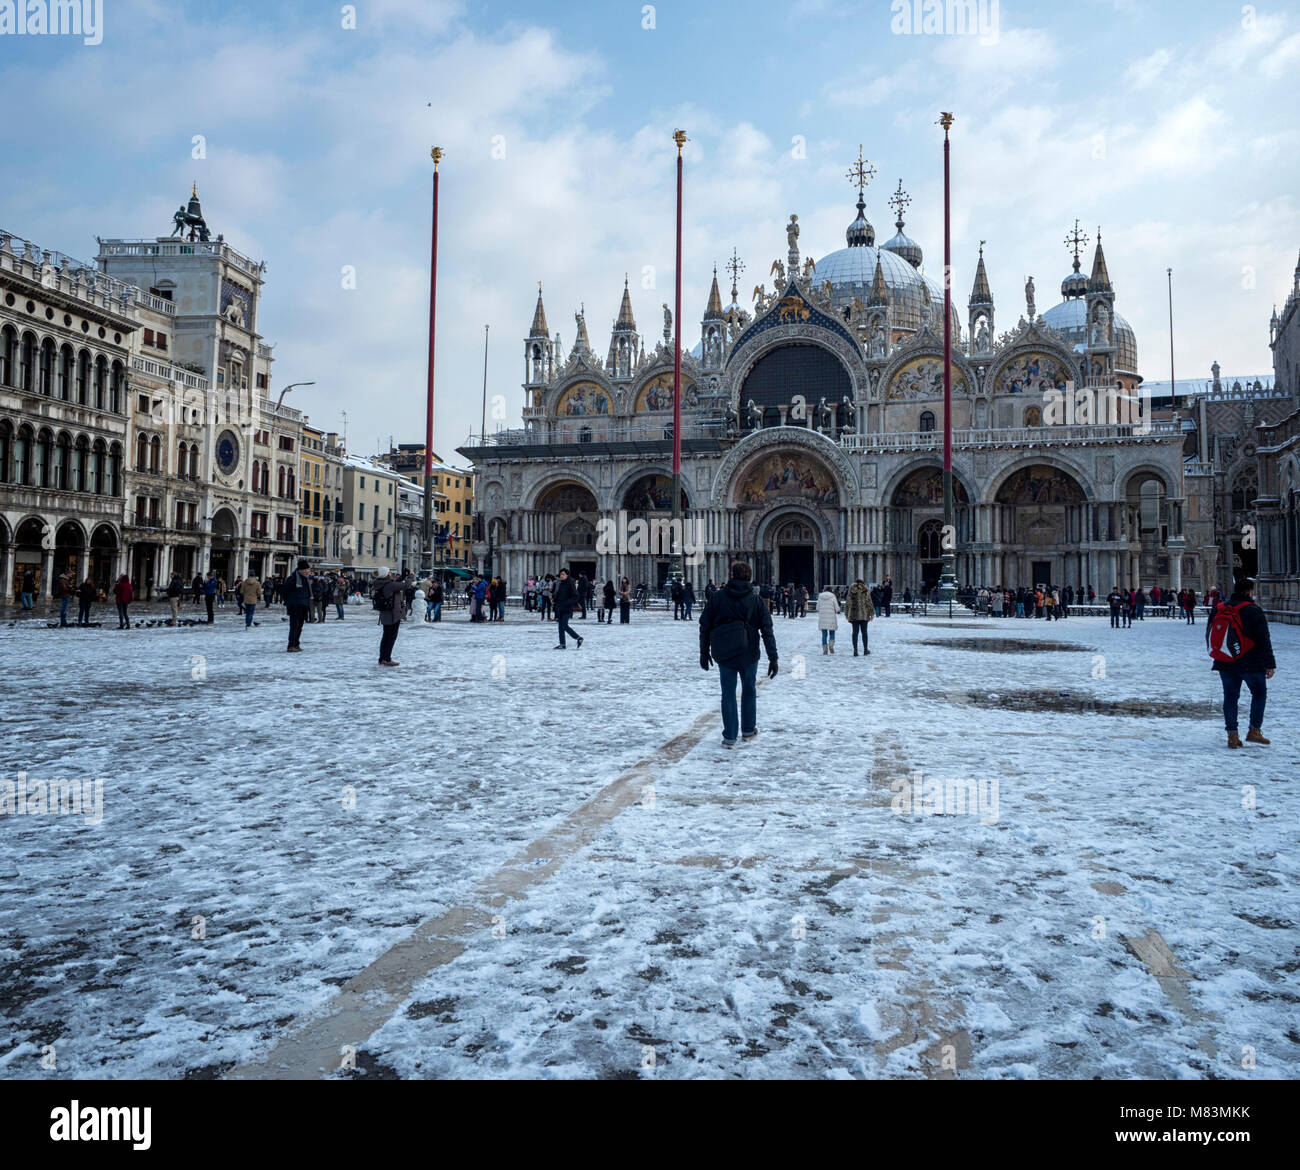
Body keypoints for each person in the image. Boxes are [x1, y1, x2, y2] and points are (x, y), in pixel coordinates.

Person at [698, 560, 778, 748]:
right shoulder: (756, 600)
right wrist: (773, 657)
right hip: (749, 652)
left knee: (728, 693)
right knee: (749, 689)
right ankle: (748, 729)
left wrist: (704, 651)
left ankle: (729, 736)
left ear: (732, 575)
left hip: (724, 652)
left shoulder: (717, 598)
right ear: (749, 577)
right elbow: (767, 630)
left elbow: (705, 625)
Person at [1209, 578, 1276, 749]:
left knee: (1230, 698)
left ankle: (1232, 735)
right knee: (1259, 694)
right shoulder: (1254, 611)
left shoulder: (1219, 608)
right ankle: (1254, 731)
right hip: (1251, 662)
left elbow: (1212, 634)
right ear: (1250, 592)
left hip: (1225, 660)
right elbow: (1264, 640)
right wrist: (1269, 664)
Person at [373, 565, 405, 666]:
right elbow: (404, 585)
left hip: (385, 613)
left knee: (386, 636)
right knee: (391, 637)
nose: (391, 574)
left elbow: (395, 584)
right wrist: (411, 576)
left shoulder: (380, 583)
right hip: (393, 614)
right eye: (389, 572)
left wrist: (403, 575)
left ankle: (382, 658)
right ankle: (387, 658)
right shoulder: (389, 585)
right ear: (386, 574)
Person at [282, 559, 312, 652]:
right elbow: (284, 591)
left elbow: (307, 592)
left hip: (303, 605)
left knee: (300, 626)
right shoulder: (293, 579)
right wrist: (289, 602)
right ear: (302, 570)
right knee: (294, 625)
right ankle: (291, 645)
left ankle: (296, 644)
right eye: (307, 569)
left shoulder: (305, 579)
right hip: (295, 605)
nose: (309, 571)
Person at [552, 567, 584, 650]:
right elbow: (559, 594)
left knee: (564, 625)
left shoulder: (570, 583)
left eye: (563, 574)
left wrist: (568, 603)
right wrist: (554, 599)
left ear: (567, 575)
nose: (561, 576)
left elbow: (575, 596)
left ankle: (578, 638)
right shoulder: (561, 583)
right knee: (560, 626)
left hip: (567, 608)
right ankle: (562, 644)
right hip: (560, 607)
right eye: (560, 574)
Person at [845, 577, 873, 656]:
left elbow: (848, 602)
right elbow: (869, 602)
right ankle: (865, 649)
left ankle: (855, 650)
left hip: (854, 614)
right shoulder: (865, 589)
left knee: (855, 633)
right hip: (864, 614)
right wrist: (872, 613)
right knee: (864, 633)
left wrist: (847, 614)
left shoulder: (851, 589)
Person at [817, 584, 841, 653]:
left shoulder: (820, 597)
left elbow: (817, 608)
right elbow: (837, 608)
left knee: (824, 634)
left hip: (823, 618)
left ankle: (825, 649)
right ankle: (831, 646)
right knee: (832, 632)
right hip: (831, 618)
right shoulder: (833, 597)